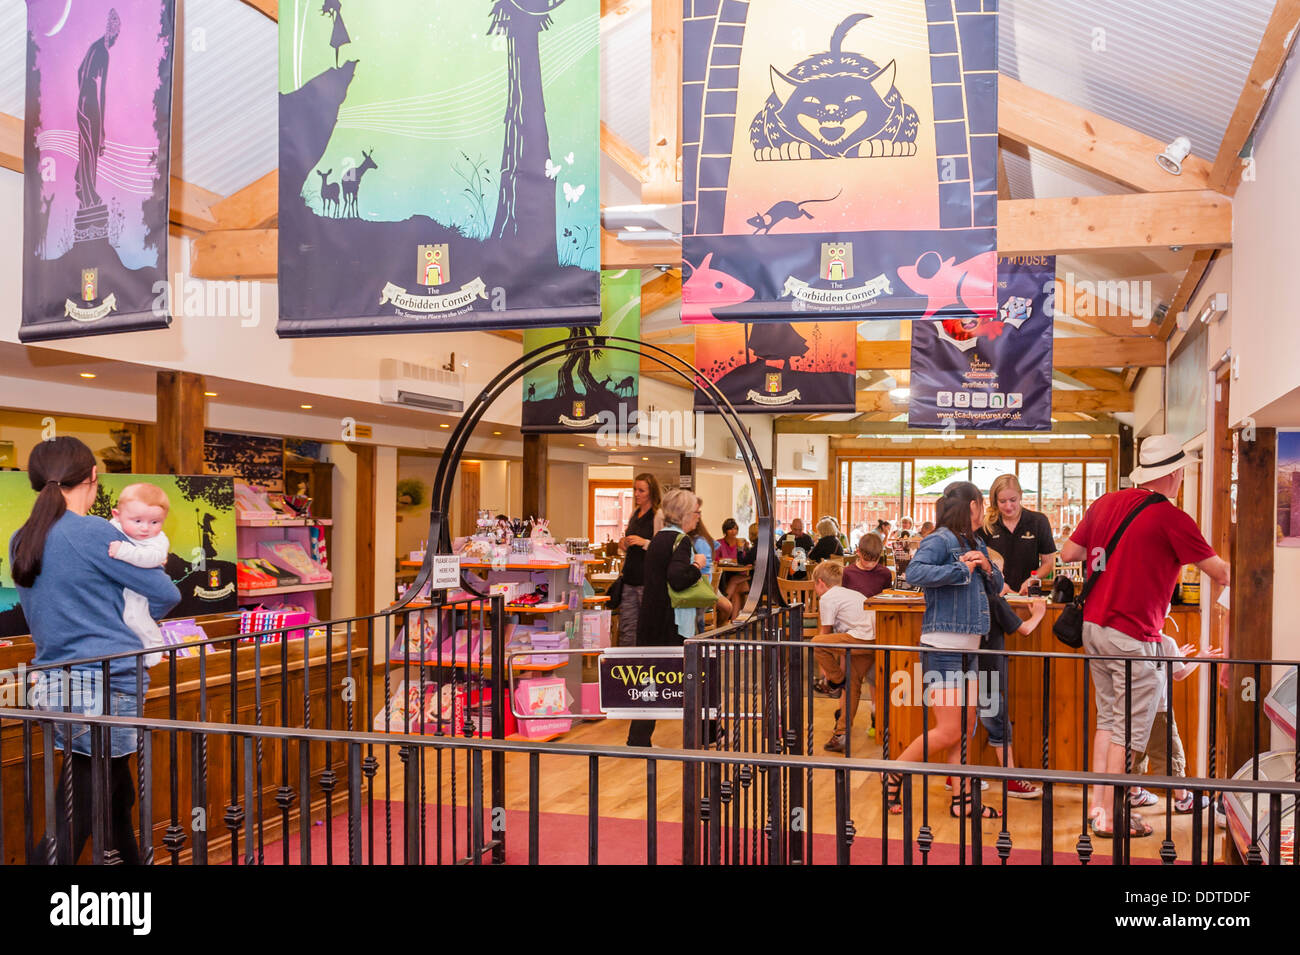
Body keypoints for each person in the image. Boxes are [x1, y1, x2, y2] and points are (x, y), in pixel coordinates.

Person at [10, 437, 180, 864]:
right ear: (92, 477)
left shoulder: (21, 537)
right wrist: (136, 621)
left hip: (55, 679)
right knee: (80, 805)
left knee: (114, 790)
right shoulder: (93, 532)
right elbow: (166, 593)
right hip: (106, 680)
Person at [1059, 435, 1229, 839]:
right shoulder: (1171, 517)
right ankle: (1111, 816)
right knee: (1127, 730)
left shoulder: (1105, 504)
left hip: (1094, 627)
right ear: (1175, 473)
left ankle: (1098, 807)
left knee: (1108, 720)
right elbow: (1221, 573)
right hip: (1131, 633)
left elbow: (1069, 553)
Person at [887, 482, 1003, 819]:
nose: (985, 510)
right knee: (950, 730)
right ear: (971, 506)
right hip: (943, 648)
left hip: (969, 649)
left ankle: (962, 801)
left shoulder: (976, 542)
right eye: (982, 503)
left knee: (965, 730)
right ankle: (893, 772)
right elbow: (915, 572)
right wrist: (962, 569)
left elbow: (997, 586)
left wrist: (986, 566)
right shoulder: (940, 539)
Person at [627, 489, 707, 747]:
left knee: (650, 680)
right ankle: (709, 732)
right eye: (696, 512)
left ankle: (638, 738)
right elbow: (678, 578)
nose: (698, 517)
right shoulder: (681, 540)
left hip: (651, 618)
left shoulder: (658, 538)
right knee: (695, 675)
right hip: (671, 622)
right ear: (684, 514)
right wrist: (697, 565)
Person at [1130, 638, 1224, 812]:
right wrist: (1200, 657)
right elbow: (1179, 674)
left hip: (1132, 705)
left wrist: (1176, 655)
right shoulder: (1165, 642)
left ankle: (1134, 793)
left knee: (1136, 749)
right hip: (1158, 708)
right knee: (1170, 752)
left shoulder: (1131, 637)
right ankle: (1183, 798)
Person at [810, 560, 876, 753]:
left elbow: (825, 632)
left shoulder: (827, 597)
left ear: (820, 582)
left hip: (859, 638)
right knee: (852, 686)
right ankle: (841, 735)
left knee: (816, 642)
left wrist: (829, 675)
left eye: (814, 585)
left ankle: (835, 683)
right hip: (873, 640)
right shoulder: (851, 593)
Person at [109, 483, 172, 669]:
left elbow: (152, 557)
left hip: (137, 591)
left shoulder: (158, 540)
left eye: (155, 522)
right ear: (117, 515)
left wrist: (123, 551)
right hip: (115, 588)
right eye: (137, 521)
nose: (145, 528)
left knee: (137, 619)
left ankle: (154, 652)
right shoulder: (113, 528)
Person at [978, 474, 1057, 595]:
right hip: (994, 595)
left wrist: (1032, 580)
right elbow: (978, 562)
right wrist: (998, 582)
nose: (1008, 506)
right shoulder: (985, 524)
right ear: (995, 500)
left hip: (1026, 595)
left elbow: (1048, 563)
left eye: (1013, 500)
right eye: (1002, 501)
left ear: (1020, 495)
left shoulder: (1038, 521)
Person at [617, 473, 660, 648]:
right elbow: (627, 542)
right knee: (627, 625)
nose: (636, 494)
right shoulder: (635, 514)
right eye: (635, 490)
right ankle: (627, 659)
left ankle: (648, 659)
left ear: (651, 492)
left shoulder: (657, 515)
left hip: (647, 579)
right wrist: (624, 542)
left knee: (648, 625)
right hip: (630, 577)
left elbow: (662, 547)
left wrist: (645, 543)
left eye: (641, 490)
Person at [690, 517, 731, 628]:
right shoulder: (704, 541)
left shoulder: (699, 542)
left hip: (702, 587)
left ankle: (717, 630)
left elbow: (704, 572)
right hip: (706, 586)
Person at [715, 518, 748, 624]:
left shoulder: (740, 543)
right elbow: (715, 559)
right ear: (725, 530)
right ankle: (732, 621)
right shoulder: (719, 543)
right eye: (730, 529)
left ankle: (726, 611)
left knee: (735, 585)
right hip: (724, 574)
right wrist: (725, 560)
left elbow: (744, 559)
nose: (733, 531)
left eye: (735, 529)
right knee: (734, 588)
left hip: (738, 574)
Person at [842, 533, 893, 598]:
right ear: (858, 552)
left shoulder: (885, 573)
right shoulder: (847, 572)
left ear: (880, 554)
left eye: (874, 561)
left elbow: (887, 597)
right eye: (866, 560)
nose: (870, 565)